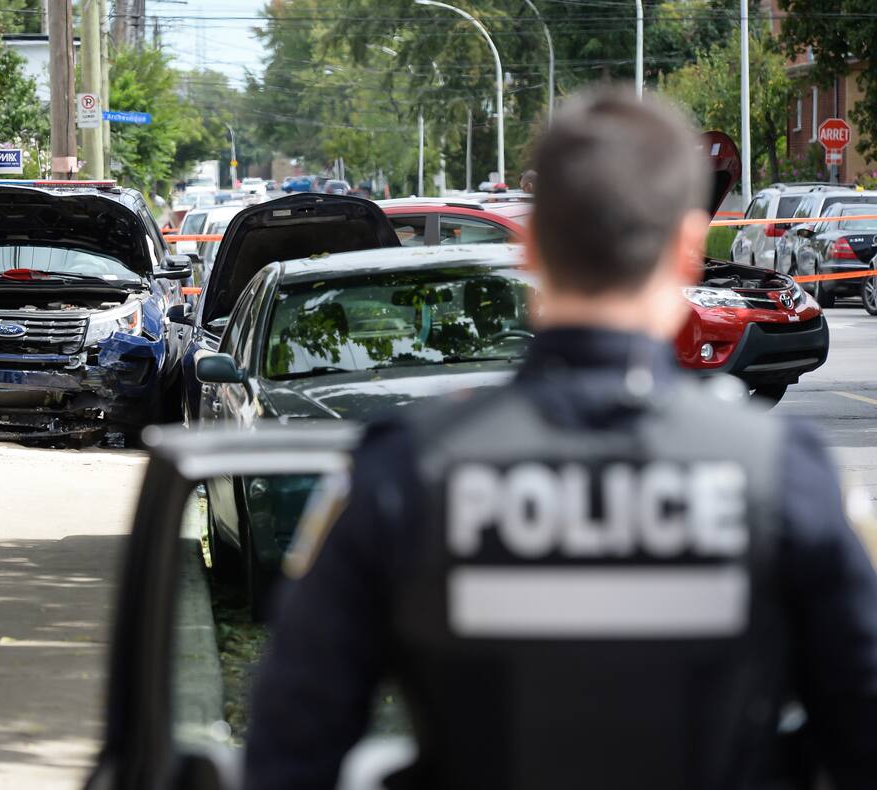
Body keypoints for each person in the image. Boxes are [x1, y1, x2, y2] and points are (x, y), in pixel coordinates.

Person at [244, 86, 877, 790]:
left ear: (535, 245)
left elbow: (291, 746)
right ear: (688, 248)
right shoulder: (781, 476)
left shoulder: (406, 472)